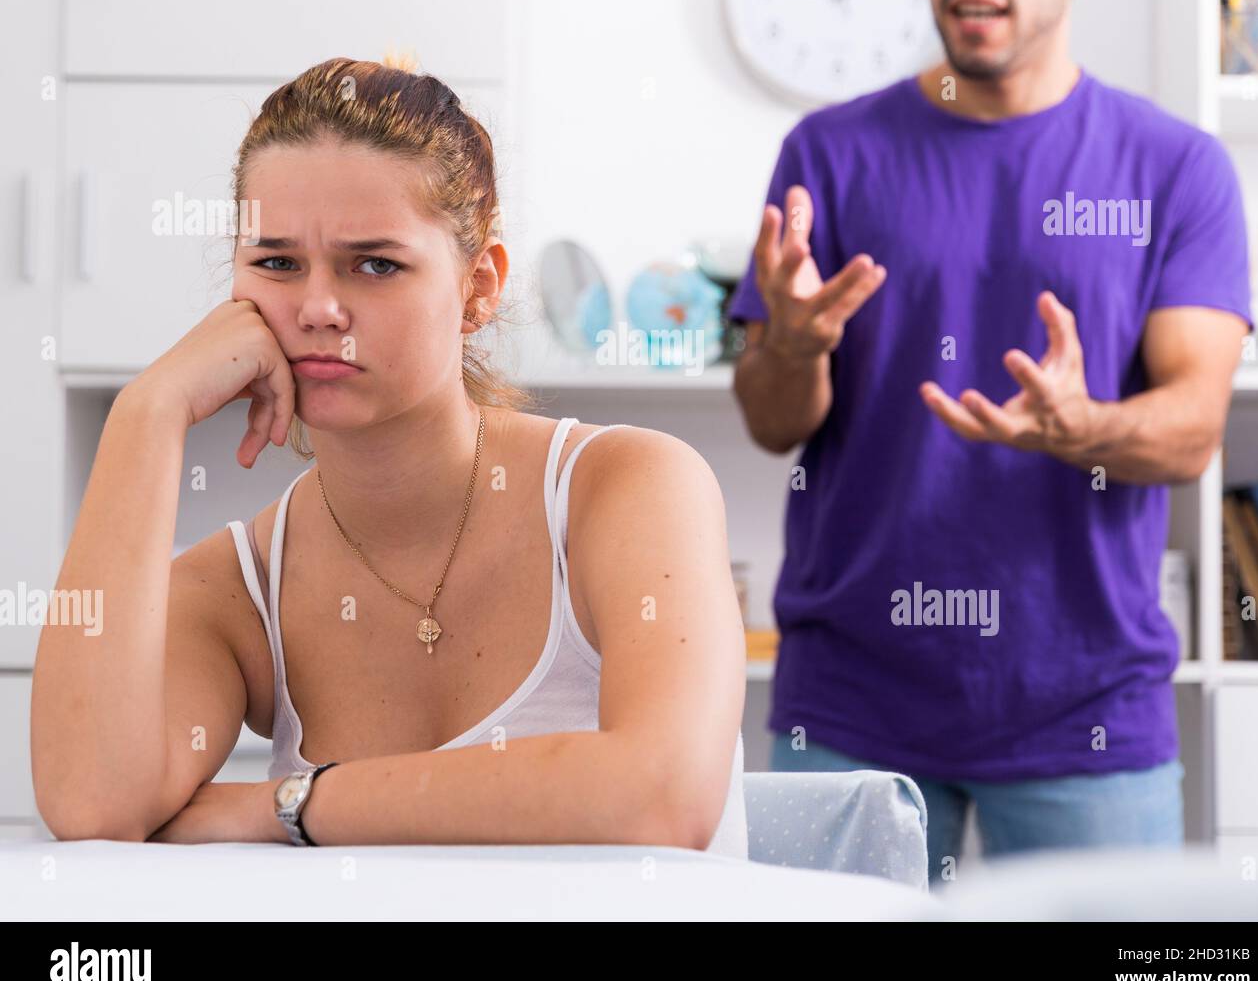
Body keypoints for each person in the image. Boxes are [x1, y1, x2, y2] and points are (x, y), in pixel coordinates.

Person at [32, 54, 748, 857]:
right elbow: (92, 802)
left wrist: (287, 803)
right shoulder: (237, 589)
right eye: (276, 263)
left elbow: (666, 792)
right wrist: (146, 415)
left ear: (478, 288)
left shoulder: (629, 486)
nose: (318, 307)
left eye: (375, 264)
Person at [729, 0, 1251, 887]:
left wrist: (1084, 427)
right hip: (852, 698)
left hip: (1084, 705)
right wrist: (787, 342)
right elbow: (775, 421)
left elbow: (1192, 429)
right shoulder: (827, 153)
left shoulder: (1175, 169)